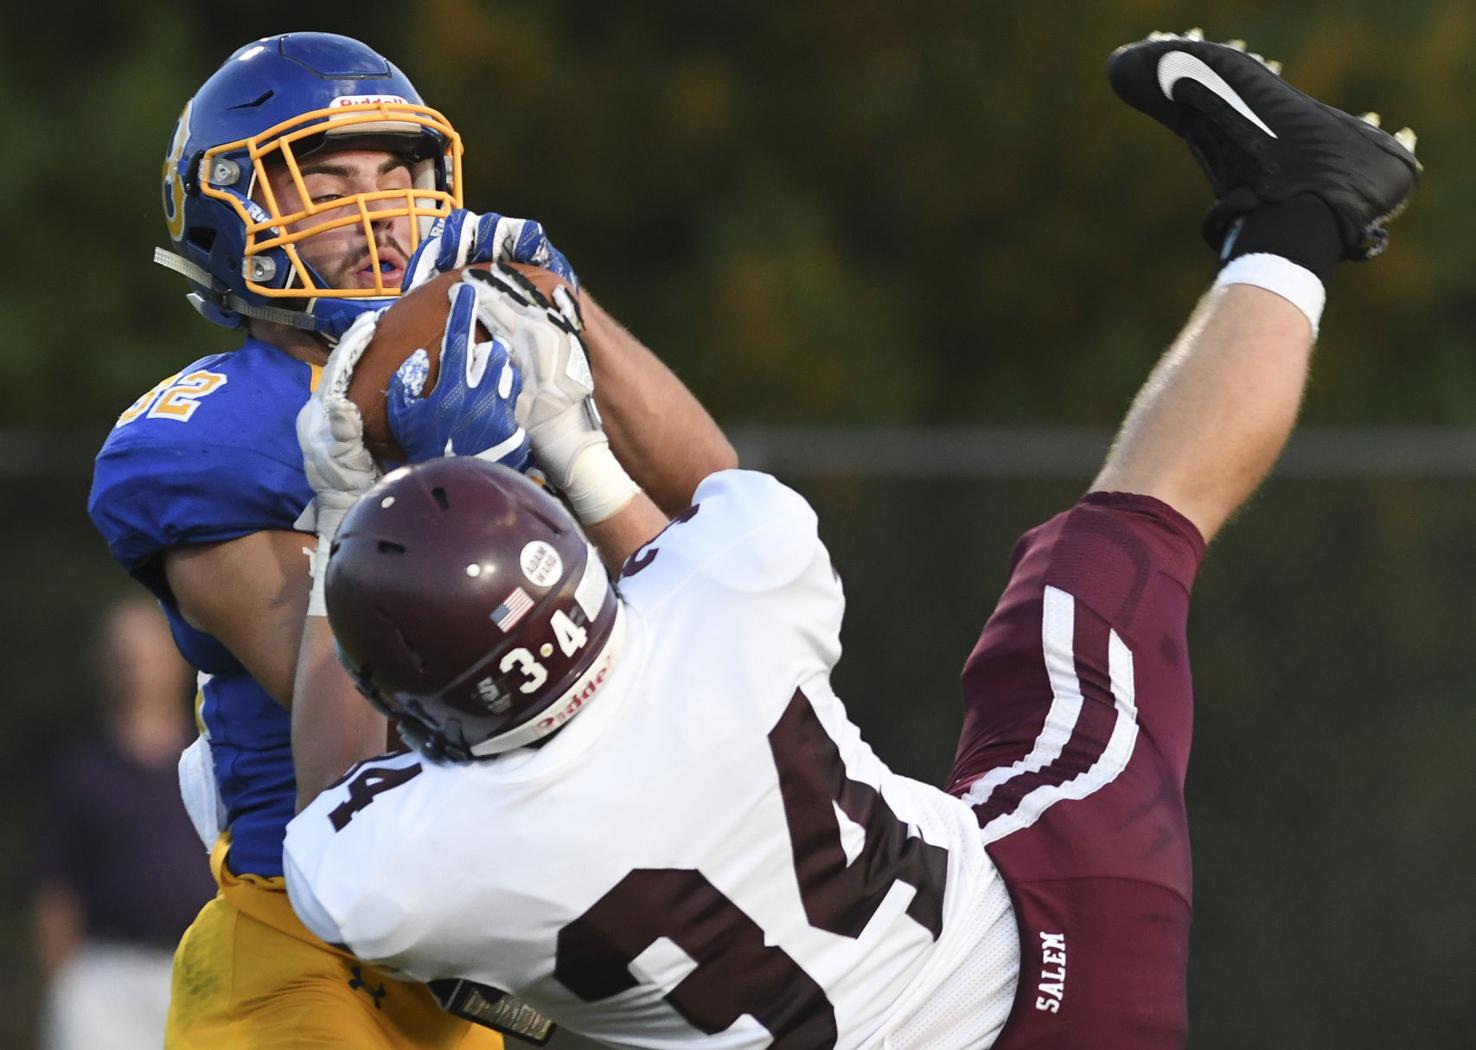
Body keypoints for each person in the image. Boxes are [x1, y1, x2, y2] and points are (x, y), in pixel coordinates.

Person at [281, 33, 1420, 1048]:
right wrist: (568, 380)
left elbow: (330, 802)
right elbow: (711, 500)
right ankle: (1300, 214)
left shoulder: (420, 870)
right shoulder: (724, 606)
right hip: (1060, 956)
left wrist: (337, 517)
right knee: (1119, 551)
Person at [87, 30, 735, 1050]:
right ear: (230, 214)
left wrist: (568, 318)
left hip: (499, 959)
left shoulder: (486, 357)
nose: (378, 211)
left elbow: (726, 525)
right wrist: (425, 490)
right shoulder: (209, 439)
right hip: (311, 959)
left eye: (397, 176)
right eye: (327, 184)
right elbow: (366, 756)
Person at [31, 597, 215, 1050]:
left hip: (203, 973)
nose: (137, 670)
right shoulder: (81, 774)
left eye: (149, 655)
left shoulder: (212, 765)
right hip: (106, 981)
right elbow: (55, 892)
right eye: (125, 657)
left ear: (177, 660)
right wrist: (65, 987)